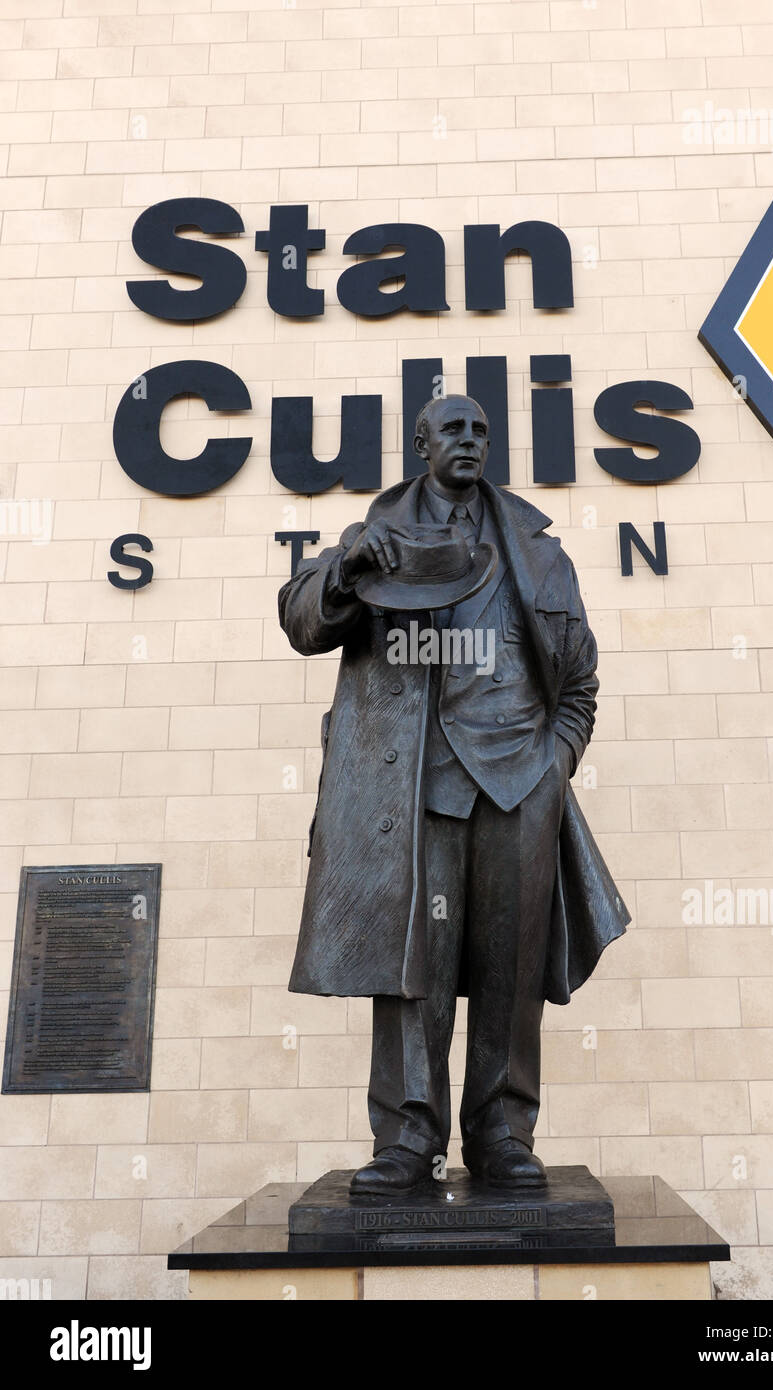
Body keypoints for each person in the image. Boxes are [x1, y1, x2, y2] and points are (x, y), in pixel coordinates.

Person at [278, 395, 629, 1193]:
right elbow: (301, 621)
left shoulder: (540, 555)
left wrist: (554, 765)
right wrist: (347, 568)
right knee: (415, 970)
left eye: (480, 430)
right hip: (417, 789)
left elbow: (578, 682)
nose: (469, 441)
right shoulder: (373, 540)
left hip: (518, 786)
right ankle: (406, 1138)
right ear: (419, 445)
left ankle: (502, 1132)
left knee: (512, 967)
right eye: (452, 430)